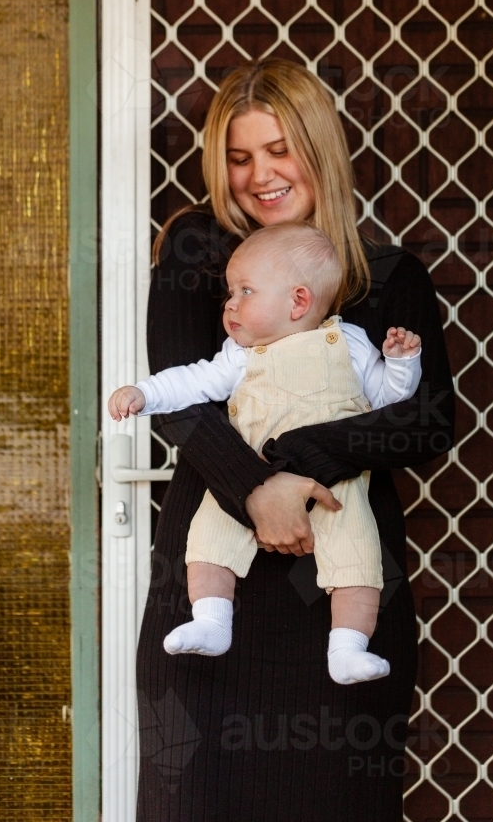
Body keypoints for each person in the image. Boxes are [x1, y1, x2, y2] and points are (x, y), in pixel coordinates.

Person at [136, 59, 454, 821]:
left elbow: (424, 419)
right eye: (239, 158)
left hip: (343, 597)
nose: (259, 176)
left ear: (318, 148)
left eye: (279, 150)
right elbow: (183, 403)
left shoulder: (386, 275)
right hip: (212, 591)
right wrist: (256, 492)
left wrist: (292, 468)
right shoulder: (197, 253)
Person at [110, 223, 422, 687]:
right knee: (209, 541)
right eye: (230, 293)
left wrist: (401, 364)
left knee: (358, 559)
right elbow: (191, 382)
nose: (230, 304)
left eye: (245, 291)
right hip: (248, 479)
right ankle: (212, 621)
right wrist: (144, 393)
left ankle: (348, 648)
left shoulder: (350, 343)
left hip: (336, 489)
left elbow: (387, 399)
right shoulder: (240, 355)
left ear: (298, 301)